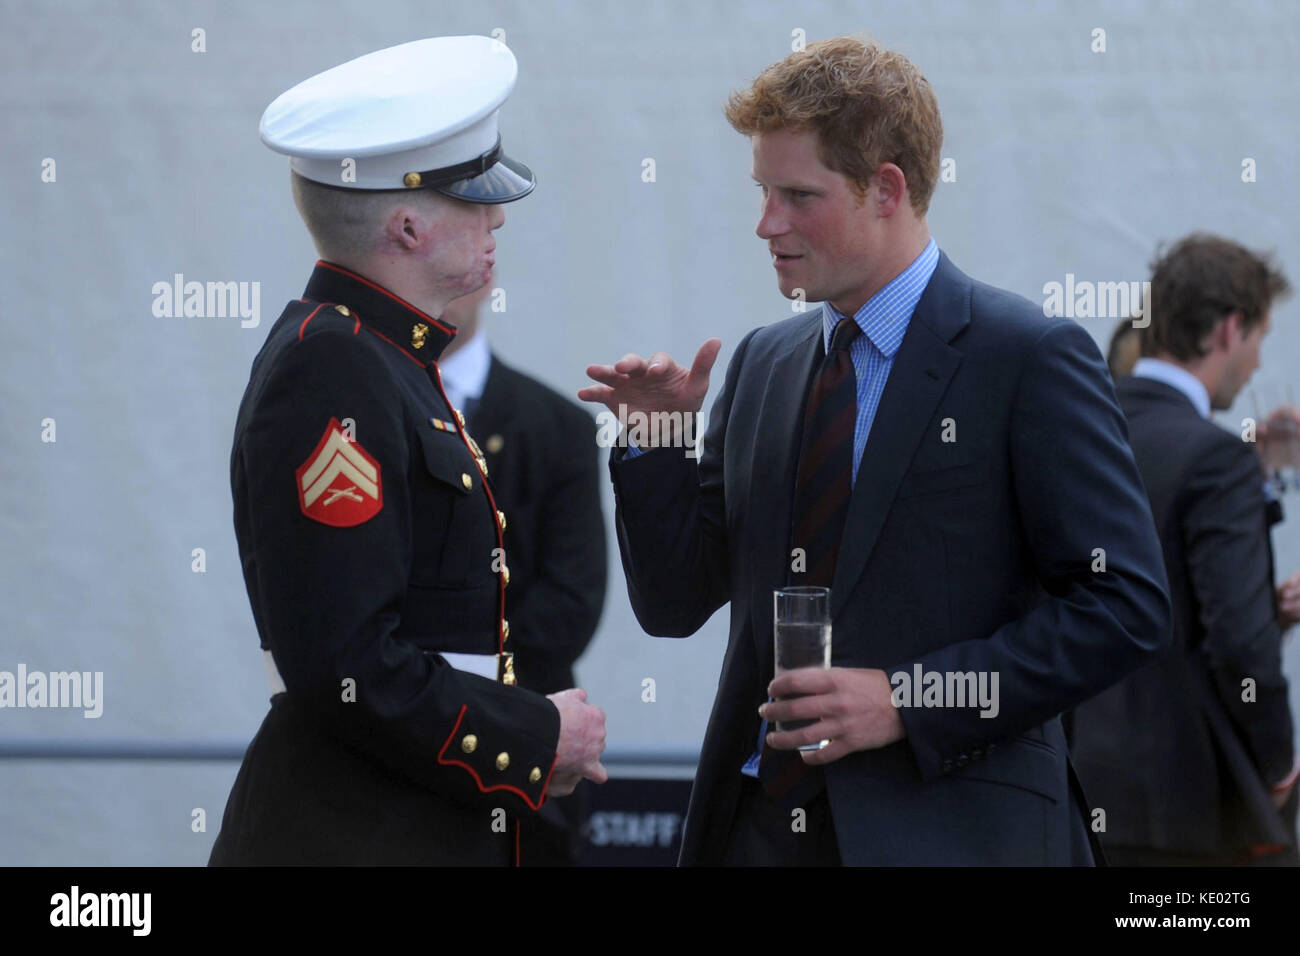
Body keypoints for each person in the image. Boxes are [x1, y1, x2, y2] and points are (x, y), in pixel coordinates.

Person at [580, 36, 1170, 865]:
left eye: (797, 195)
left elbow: (1124, 608)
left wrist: (909, 700)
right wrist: (661, 440)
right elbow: (675, 606)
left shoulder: (1026, 357)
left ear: (886, 188)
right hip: (755, 831)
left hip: (951, 836)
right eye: (762, 191)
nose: (766, 224)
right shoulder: (763, 362)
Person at [209, 36, 606, 866]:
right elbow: (346, 661)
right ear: (407, 223)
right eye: (476, 200)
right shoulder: (335, 365)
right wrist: (535, 736)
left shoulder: (385, 356)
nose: (498, 218)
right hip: (360, 831)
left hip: (409, 816)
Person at [1069, 234, 1298, 865]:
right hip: (1189, 816)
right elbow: (1240, 649)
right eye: (1258, 338)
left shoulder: (1076, 430)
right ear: (1230, 329)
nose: (1255, 362)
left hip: (1072, 797)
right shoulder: (1217, 461)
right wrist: (1279, 766)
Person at [437, 281, 608, 864]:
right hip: (392, 762)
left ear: (484, 276)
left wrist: (437, 677)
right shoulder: (364, 414)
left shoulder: (556, 426)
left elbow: (572, 604)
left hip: (522, 762)